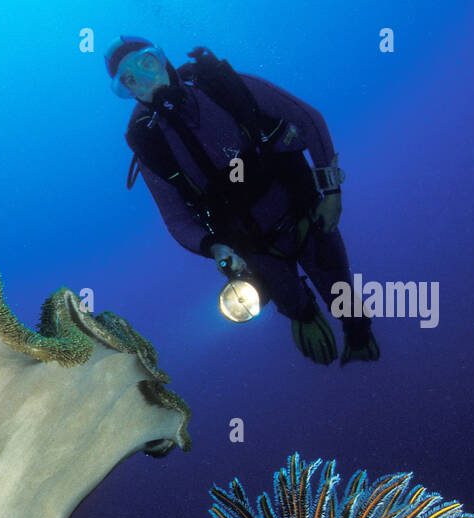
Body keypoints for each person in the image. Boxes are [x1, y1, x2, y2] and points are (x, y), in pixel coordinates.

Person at [106, 37, 378, 365]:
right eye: (130, 78)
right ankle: (304, 313)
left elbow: (308, 119)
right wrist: (213, 247)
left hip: (308, 216)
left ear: (162, 60)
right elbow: (176, 218)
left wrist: (331, 194)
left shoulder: (222, 87)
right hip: (254, 250)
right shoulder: (149, 144)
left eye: (147, 63)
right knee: (294, 307)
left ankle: (359, 340)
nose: (147, 79)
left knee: (346, 304)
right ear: (126, 91)